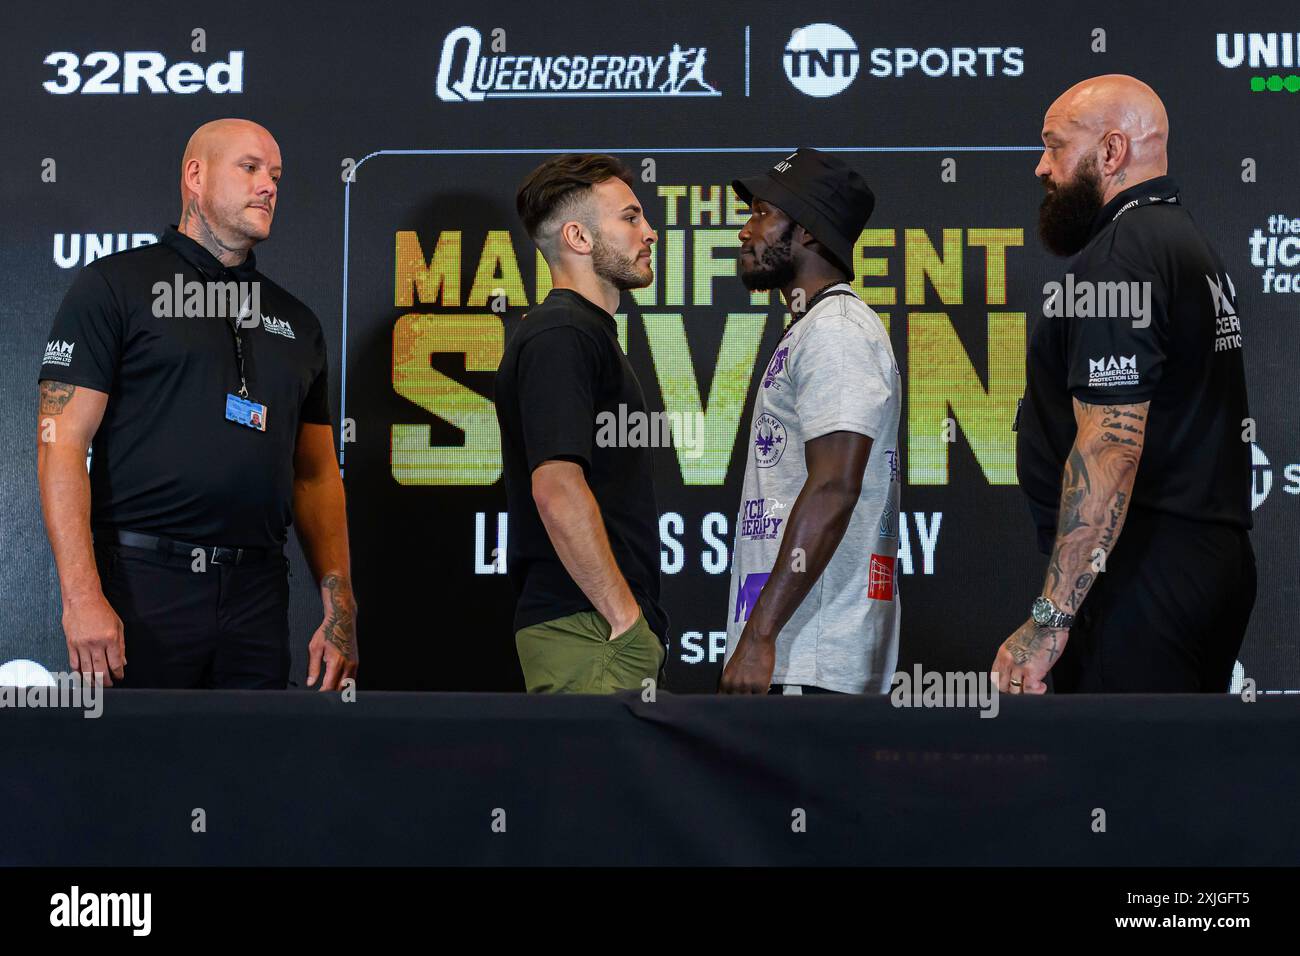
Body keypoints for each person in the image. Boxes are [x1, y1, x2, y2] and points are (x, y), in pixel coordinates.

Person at [37, 119, 358, 690]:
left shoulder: (299, 322)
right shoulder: (116, 286)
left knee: (250, 775)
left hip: (257, 595)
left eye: (276, 175)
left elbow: (315, 476)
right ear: (195, 175)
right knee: (136, 776)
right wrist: (81, 598)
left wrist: (339, 609)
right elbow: (61, 445)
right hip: (141, 585)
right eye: (251, 168)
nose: (269, 186)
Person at [998, 75, 1254, 694]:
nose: (1041, 167)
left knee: (1123, 783)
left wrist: (1051, 618)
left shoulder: (1120, 258)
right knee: (1173, 779)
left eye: (1055, 147)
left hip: (1142, 579)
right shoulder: (1178, 239)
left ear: (1111, 152)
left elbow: (1111, 444)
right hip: (1196, 568)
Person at [720, 147, 902, 695]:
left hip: (811, 660)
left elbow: (834, 487)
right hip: (798, 656)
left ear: (810, 233)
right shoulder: (814, 327)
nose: (745, 231)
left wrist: (759, 636)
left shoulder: (838, 332)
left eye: (761, 213)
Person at [495, 154, 667, 693]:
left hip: (593, 631)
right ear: (578, 236)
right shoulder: (562, 332)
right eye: (631, 218)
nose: (650, 232)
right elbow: (556, 488)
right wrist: (625, 619)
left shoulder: (578, 331)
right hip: (590, 632)